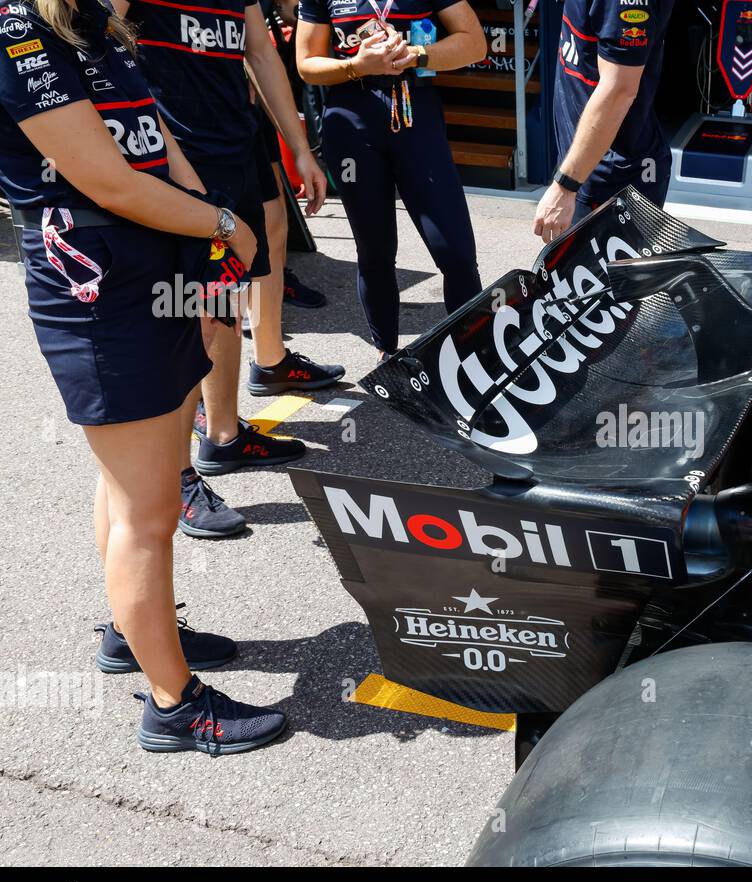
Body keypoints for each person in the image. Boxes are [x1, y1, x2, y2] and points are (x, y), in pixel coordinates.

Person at [0, 0, 286, 753]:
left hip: (154, 265)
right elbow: (111, 183)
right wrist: (227, 226)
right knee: (149, 514)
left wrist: (204, 217)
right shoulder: (16, 29)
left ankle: (134, 635)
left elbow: (155, 144)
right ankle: (174, 705)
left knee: (130, 485)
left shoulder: (92, 23)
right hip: (96, 285)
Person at [113, 0, 342, 538]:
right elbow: (98, 41)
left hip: (234, 151)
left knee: (221, 310)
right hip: (177, 164)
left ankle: (223, 437)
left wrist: (301, 149)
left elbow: (260, 52)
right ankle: (172, 477)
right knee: (186, 322)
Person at [296, 0, 486, 359]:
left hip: (416, 112)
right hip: (351, 121)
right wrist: (356, 65)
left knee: (455, 250)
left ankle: (475, 356)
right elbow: (307, 64)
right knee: (375, 251)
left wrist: (417, 54)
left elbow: (474, 42)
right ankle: (387, 352)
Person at [534, 0, 675, 241]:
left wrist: (565, 186)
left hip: (611, 180)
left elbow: (619, 91)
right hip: (588, 171)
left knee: (613, 279)